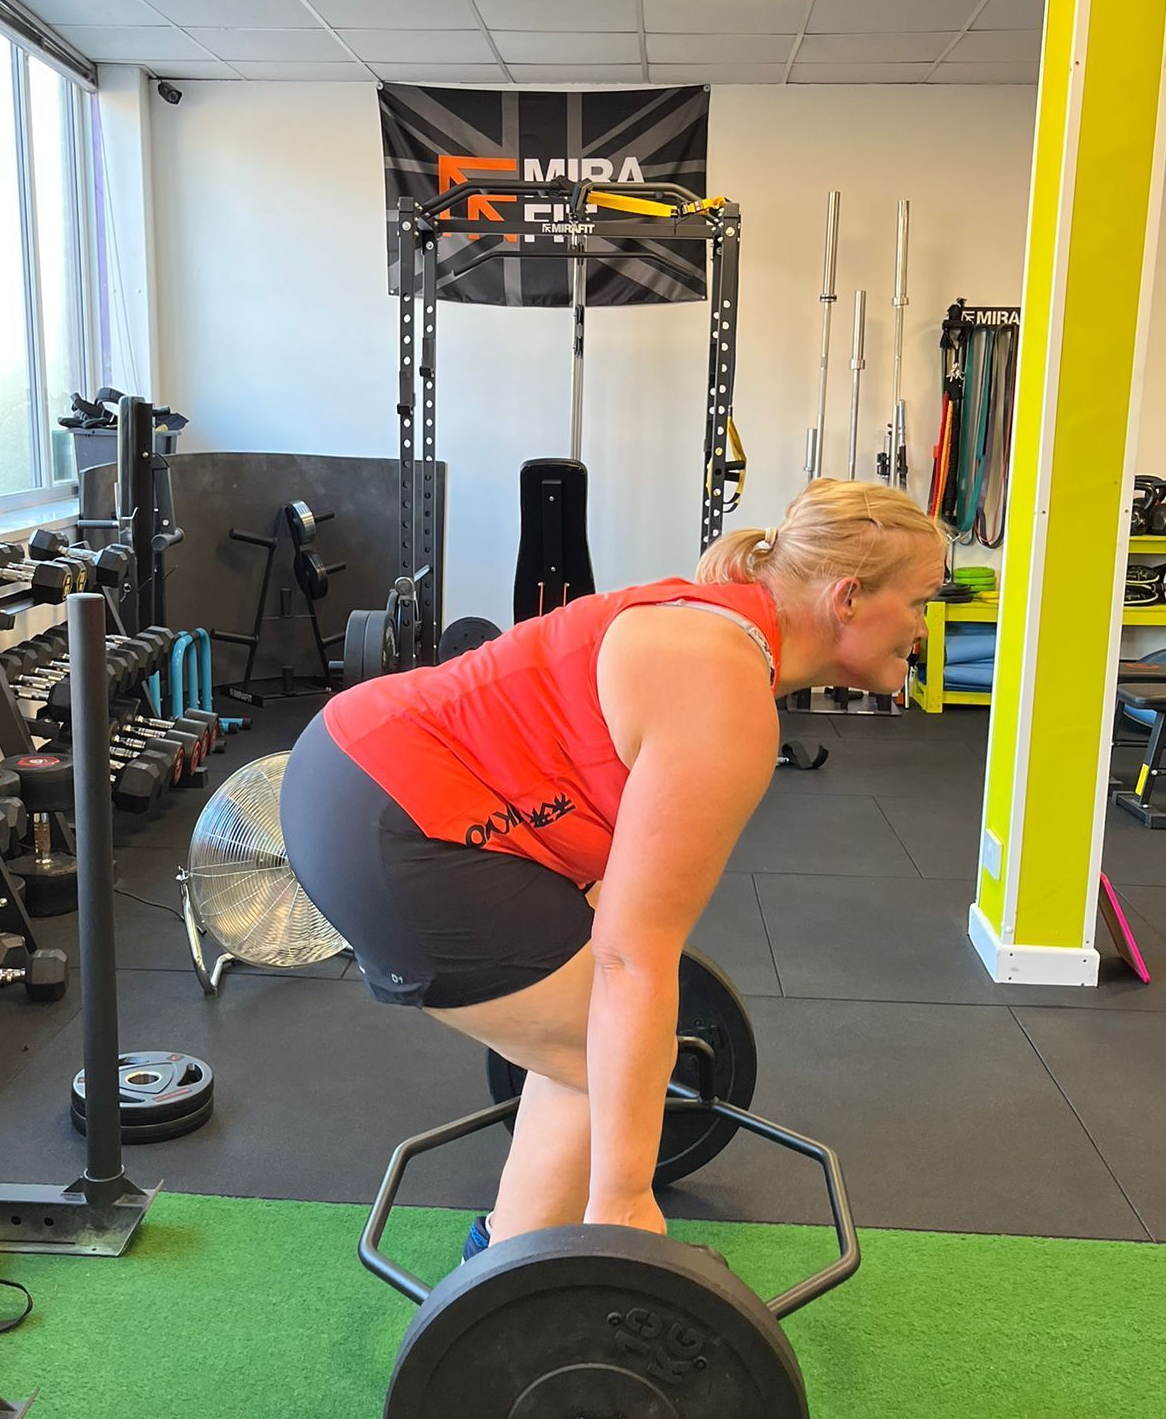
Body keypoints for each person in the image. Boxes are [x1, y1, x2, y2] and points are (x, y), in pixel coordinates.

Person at [280, 478, 947, 1255]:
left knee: (596, 1038)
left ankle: (506, 1266)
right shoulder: (722, 688)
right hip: (395, 821)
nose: (923, 629)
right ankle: (504, 1291)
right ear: (849, 598)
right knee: (595, 1059)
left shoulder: (717, 631)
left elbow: (609, 886)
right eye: (919, 602)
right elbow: (632, 958)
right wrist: (623, 1197)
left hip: (356, 768)